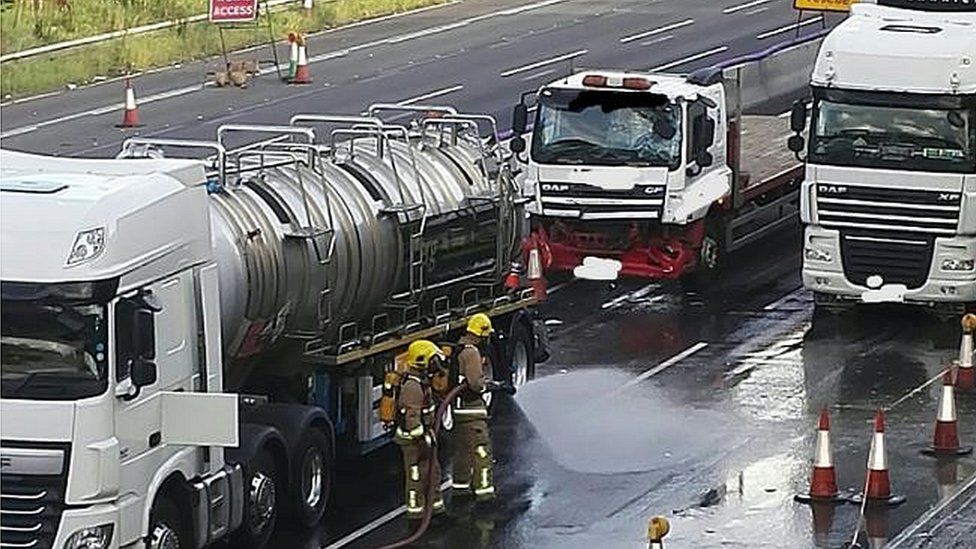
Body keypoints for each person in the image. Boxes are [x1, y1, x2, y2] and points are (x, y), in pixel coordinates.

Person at [395, 340, 445, 520]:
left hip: (423, 439)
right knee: (415, 478)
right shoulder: (412, 387)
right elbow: (412, 420)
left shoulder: (421, 384)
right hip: (413, 443)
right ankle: (416, 517)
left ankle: (436, 511)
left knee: (433, 473)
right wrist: (423, 438)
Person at [450, 313, 496, 501]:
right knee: (481, 450)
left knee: (463, 450)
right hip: (472, 409)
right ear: (481, 334)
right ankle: (485, 494)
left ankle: (460, 488)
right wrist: (491, 385)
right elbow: (476, 383)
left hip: (460, 410)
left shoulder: (459, 349)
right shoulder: (472, 352)